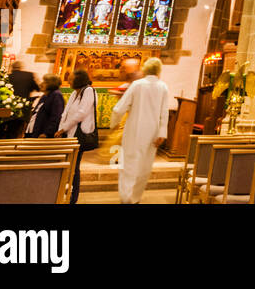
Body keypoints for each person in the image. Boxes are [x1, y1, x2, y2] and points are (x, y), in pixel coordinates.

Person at [109, 57, 172, 204]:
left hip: (133, 131)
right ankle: (136, 198)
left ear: (145, 69)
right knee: (144, 168)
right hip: (153, 134)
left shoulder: (137, 85)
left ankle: (126, 198)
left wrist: (114, 123)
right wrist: (162, 133)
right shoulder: (163, 87)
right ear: (158, 70)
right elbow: (165, 113)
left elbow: (119, 108)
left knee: (128, 166)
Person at [56, 69, 98, 204]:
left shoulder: (89, 91)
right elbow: (66, 112)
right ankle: (64, 194)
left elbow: (81, 113)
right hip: (68, 134)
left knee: (74, 167)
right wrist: (61, 129)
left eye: (71, 78)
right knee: (69, 166)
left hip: (78, 135)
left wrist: (64, 128)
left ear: (79, 80)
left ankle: (73, 198)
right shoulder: (75, 92)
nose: (68, 80)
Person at [25, 74, 64, 138]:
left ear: (52, 84)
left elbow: (56, 116)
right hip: (33, 131)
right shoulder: (45, 95)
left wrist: (47, 133)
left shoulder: (56, 95)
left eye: (45, 82)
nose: (41, 84)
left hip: (43, 134)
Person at [8, 61, 40, 137]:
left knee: (9, 130)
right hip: (23, 108)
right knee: (19, 129)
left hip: (9, 108)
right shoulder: (29, 75)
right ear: (21, 67)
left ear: (12, 68)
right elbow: (37, 88)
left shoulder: (8, 76)